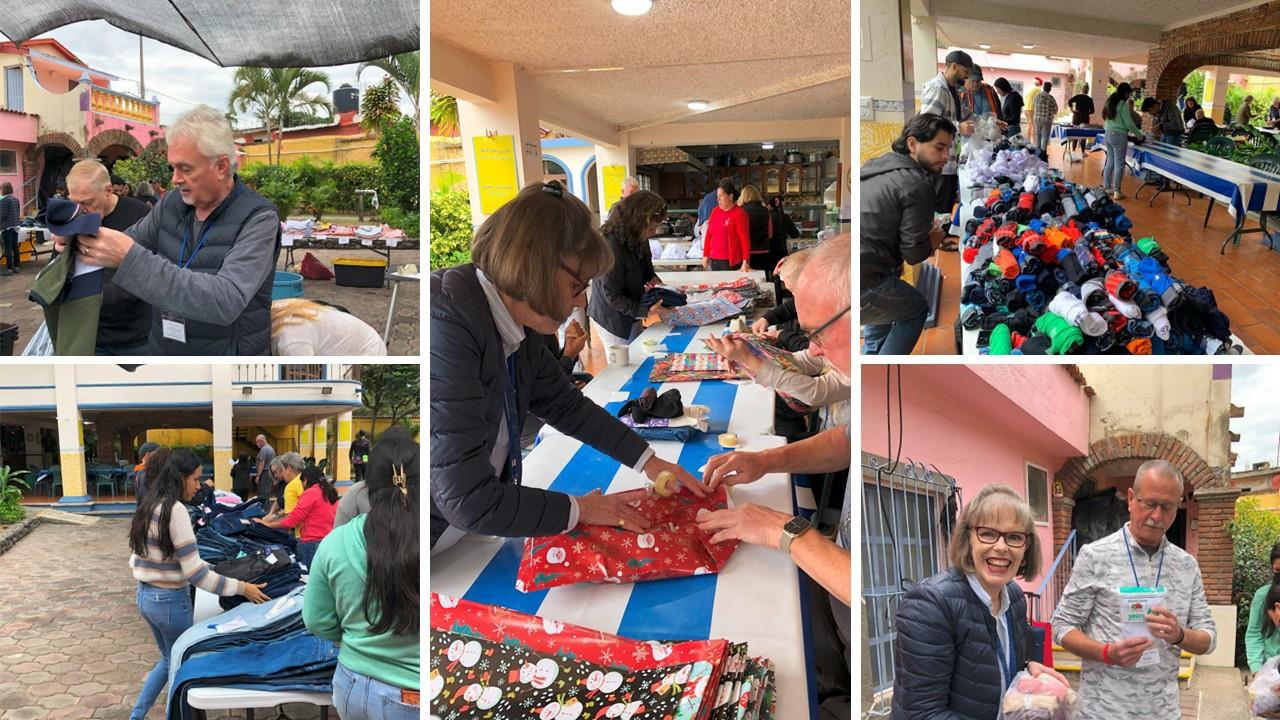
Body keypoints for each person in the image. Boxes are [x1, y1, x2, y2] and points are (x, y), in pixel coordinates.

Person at [429, 182, 703, 554]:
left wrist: (649, 462)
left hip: (461, 531)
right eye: (577, 285)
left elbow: (566, 405)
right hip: (425, 544)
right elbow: (467, 500)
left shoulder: (511, 322)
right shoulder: (447, 326)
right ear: (534, 266)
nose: (582, 299)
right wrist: (580, 509)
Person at [696, 233, 851, 720]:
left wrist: (785, 531)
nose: (815, 349)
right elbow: (849, 439)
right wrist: (767, 462)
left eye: (819, 333)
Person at [60, 105, 282, 355]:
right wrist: (78, 237)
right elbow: (128, 241)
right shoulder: (172, 203)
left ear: (221, 166)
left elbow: (226, 301)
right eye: (172, 168)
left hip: (224, 366)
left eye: (186, 169)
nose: (175, 179)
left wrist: (129, 257)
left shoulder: (259, 218)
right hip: (165, 352)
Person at [1051, 460, 1216, 720]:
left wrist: (1179, 635)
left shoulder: (1187, 566)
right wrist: (1105, 653)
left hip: (1162, 712)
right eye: (1149, 503)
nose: (1157, 516)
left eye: (1168, 507)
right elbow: (1061, 626)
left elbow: (1209, 639)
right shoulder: (1095, 556)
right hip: (1102, 711)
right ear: (1131, 499)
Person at [892, 484, 1069, 718]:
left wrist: (1027, 670)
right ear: (968, 538)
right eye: (987, 533)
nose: (1001, 547)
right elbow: (922, 713)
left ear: (1026, 547)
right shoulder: (930, 605)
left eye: (1014, 537)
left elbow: (993, 668)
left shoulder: (1013, 597)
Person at [127, 450, 269, 719]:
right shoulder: (175, 510)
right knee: (187, 669)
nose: (198, 485)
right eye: (195, 479)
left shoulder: (151, 504)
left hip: (146, 597)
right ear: (180, 478)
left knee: (170, 661)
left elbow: (144, 559)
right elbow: (194, 573)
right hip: (169, 602)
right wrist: (242, 588)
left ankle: (137, 715)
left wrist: (215, 570)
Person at [304, 431, 420, 718]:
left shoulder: (336, 542)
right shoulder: (434, 544)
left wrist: (355, 637)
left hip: (351, 684)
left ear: (365, 486)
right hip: (412, 694)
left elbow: (316, 619)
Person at [859, 114, 953, 355]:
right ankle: (882, 367)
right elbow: (913, 254)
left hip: (852, 273)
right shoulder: (916, 184)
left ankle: (872, 359)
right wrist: (933, 240)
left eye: (949, 148)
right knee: (916, 309)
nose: (946, 157)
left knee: (883, 313)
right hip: (865, 281)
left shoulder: (875, 166)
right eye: (939, 148)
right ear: (913, 144)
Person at [64, 160, 154, 355]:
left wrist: (94, 296)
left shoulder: (142, 216)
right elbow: (61, 269)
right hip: (91, 335)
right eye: (74, 202)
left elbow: (152, 273)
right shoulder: (73, 217)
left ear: (108, 191)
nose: (80, 210)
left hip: (137, 336)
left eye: (87, 202)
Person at [588, 189, 672, 354]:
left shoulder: (639, 237)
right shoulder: (612, 245)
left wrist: (656, 281)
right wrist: (646, 311)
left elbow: (647, 269)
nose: (654, 232)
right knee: (624, 363)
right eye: (653, 227)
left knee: (638, 355)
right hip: (612, 319)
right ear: (639, 221)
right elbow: (612, 295)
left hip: (632, 312)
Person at [920, 49, 976, 217]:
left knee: (947, 202)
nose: (967, 77)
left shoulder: (953, 90)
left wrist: (989, 121)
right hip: (938, 162)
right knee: (939, 205)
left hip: (950, 159)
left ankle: (943, 238)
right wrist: (959, 127)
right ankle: (937, 240)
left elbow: (965, 114)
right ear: (953, 67)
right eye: (965, 72)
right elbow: (928, 121)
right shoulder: (937, 89)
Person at [255, 465, 338, 569]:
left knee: (312, 577)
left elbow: (291, 521)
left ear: (306, 480)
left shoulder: (310, 493)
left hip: (312, 543)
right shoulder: (330, 492)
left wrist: (267, 525)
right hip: (329, 540)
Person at [336, 426, 410, 529]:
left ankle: (360, 484)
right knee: (363, 474)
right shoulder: (367, 442)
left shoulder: (355, 442)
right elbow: (369, 453)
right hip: (365, 460)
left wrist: (351, 460)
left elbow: (350, 452)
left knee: (358, 476)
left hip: (357, 460)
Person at [270, 298, 387, 355]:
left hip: (368, 351)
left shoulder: (292, 339)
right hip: (359, 338)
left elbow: (303, 376)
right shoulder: (277, 307)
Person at [1245, 543, 1280, 679]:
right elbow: (1254, 633)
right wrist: (1257, 670)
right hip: (1269, 672)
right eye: (1277, 571)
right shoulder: (1263, 596)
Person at [1102, 83, 1142, 200]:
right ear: (1125, 93)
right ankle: (1117, 191)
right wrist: (1139, 135)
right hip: (1119, 136)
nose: (1128, 96)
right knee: (1119, 164)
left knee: (1110, 162)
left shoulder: (1109, 102)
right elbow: (1129, 123)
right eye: (1128, 93)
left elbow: (1104, 117)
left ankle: (1107, 187)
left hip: (1108, 134)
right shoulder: (1122, 105)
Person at [703, 178, 751, 271]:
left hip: (730, 261)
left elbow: (745, 239)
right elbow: (709, 234)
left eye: (721, 196)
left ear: (730, 196)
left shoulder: (739, 213)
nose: (718, 199)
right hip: (714, 259)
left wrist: (745, 261)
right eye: (717, 196)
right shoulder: (715, 211)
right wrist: (706, 254)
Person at [739, 185, 774, 279]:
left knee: (747, 282)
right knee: (763, 281)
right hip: (764, 251)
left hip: (747, 254)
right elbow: (770, 234)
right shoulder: (766, 211)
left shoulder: (740, 211)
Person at [765, 196, 798, 289]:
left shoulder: (766, 217)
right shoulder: (785, 217)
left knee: (769, 278)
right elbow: (795, 234)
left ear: (769, 206)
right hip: (782, 252)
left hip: (768, 252)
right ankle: (780, 297)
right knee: (779, 278)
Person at [958, 65, 1003, 129]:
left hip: (990, 132)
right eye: (973, 81)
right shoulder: (960, 93)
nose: (976, 84)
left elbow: (998, 110)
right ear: (966, 79)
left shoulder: (989, 89)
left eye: (978, 81)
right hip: (970, 134)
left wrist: (1000, 126)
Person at [1033, 79, 1059, 153]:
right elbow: (1055, 110)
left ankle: (1037, 152)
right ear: (1050, 89)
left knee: (1038, 134)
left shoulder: (1037, 96)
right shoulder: (1051, 98)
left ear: (1043, 87)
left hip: (1037, 119)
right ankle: (1043, 153)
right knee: (1045, 136)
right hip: (1047, 120)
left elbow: (1034, 105)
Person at [0, 182, 19, 276]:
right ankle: (16, 267)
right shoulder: (16, 199)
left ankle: (9, 269)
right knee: (15, 247)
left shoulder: (4, 200)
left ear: (4, 190)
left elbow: (2, 215)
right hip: (15, 225)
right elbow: (17, 212)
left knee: (8, 248)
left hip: (7, 227)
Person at [253, 434, 275, 503]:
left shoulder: (264, 449)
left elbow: (262, 463)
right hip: (269, 473)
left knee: (263, 493)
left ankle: (264, 511)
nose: (256, 444)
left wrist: (258, 476)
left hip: (264, 474)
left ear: (261, 441)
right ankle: (267, 509)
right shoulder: (270, 448)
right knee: (267, 493)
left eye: (257, 442)